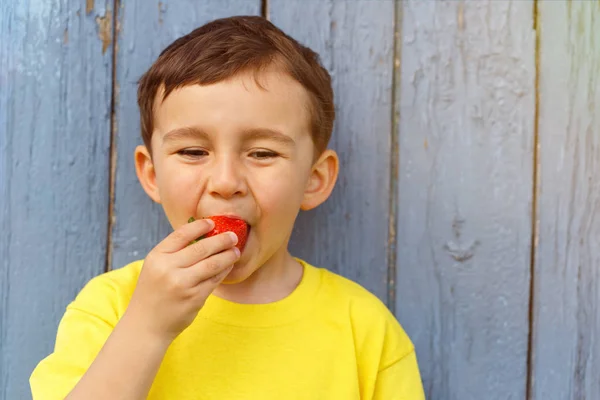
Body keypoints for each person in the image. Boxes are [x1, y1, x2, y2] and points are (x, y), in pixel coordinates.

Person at [30, 15, 425, 399]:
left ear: (313, 179)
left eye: (262, 153)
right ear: (152, 175)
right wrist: (147, 328)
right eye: (193, 151)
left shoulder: (365, 331)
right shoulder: (113, 308)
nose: (225, 182)